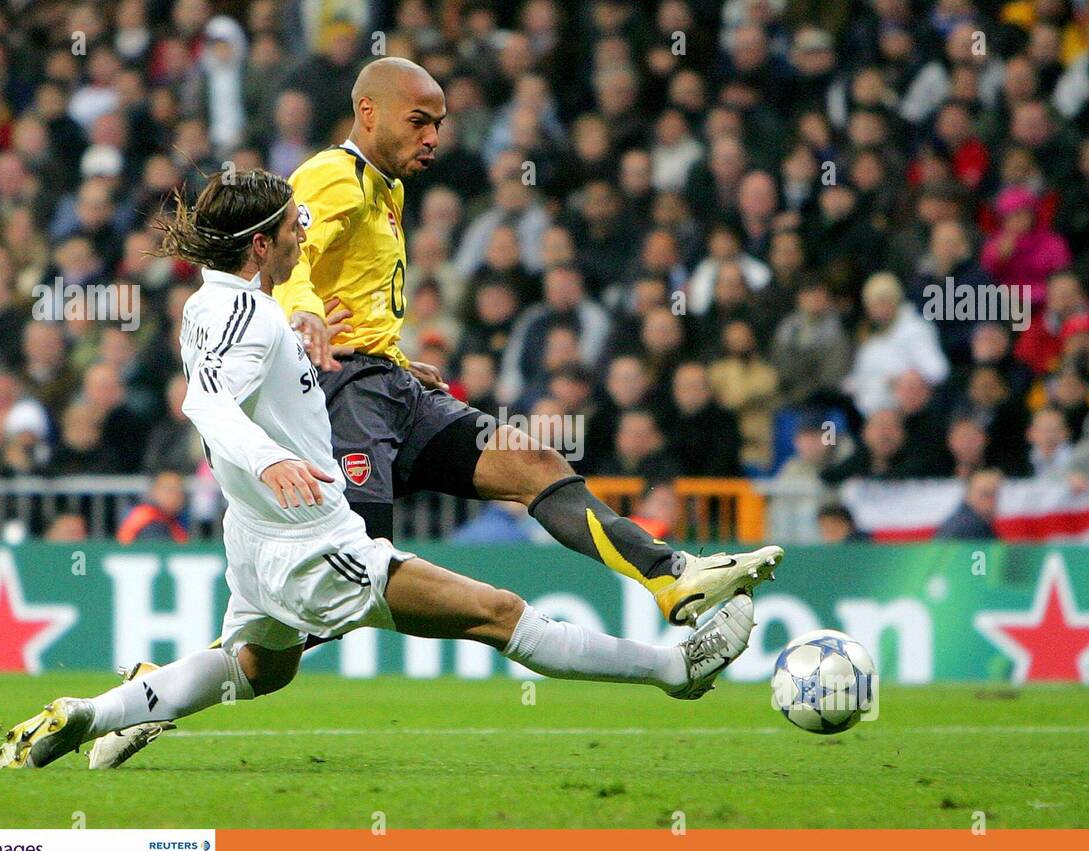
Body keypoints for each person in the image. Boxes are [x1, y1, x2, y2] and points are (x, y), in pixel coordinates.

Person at [0, 170, 782, 771]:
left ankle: (92, 712)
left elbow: (241, 382)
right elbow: (207, 407)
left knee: (255, 669)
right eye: (295, 228)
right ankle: (677, 667)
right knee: (500, 615)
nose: (307, 237)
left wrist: (345, 359)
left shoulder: (210, 307)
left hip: (256, 545)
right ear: (263, 245)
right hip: (311, 539)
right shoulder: (254, 316)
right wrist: (274, 461)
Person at [270, 57, 772, 629]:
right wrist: (306, 319)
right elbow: (288, 253)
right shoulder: (333, 175)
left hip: (393, 389)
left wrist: (396, 359)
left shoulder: (387, 189)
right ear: (368, 111)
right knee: (354, 587)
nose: (433, 137)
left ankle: (672, 576)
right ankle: (173, 686)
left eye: (438, 123)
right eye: (418, 121)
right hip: (345, 395)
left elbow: (351, 289)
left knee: (534, 460)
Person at [935, 469, 1002, 540]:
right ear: (968, 495)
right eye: (986, 494)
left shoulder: (958, 520)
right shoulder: (975, 527)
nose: (992, 501)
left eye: (994, 495)